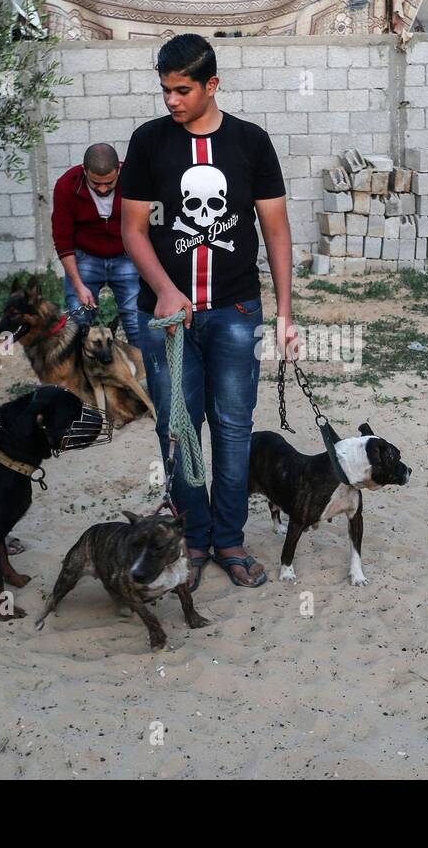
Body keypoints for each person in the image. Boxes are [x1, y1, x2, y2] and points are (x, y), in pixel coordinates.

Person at [119, 33, 298, 591]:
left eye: (182, 90)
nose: (171, 100)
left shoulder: (251, 143)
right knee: (178, 431)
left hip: (236, 311)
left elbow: (275, 230)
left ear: (211, 85)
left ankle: (229, 539)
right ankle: (191, 540)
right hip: (167, 320)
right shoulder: (149, 142)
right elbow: (131, 229)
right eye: (165, 90)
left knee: (233, 428)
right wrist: (166, 290)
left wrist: (286, 313)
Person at [52, 142, 142, 346]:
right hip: (85, 256)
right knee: (79, 319)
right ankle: (84, 373)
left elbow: (148, 224)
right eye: (95, 183)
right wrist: (77, 285)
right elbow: (62, 239)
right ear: (84, 172)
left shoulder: (135, 177)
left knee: (135, 319)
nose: (102, 188)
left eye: (109, 183)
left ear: (118, 170)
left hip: (127, 253)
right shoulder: (67, 185)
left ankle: (142, 372)